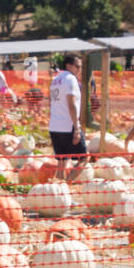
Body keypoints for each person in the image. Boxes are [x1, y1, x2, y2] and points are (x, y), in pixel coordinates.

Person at [49, 53, 86, 181]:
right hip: (68, 125)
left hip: (54, 125)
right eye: (78, 66)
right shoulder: (71, 79)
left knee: (61, 162)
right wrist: (77, 128)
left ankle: (60, 192)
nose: (79, 69)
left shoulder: (55, 80)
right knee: (84, 159)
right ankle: (66, 184)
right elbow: (72, 105)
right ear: (69, 66)